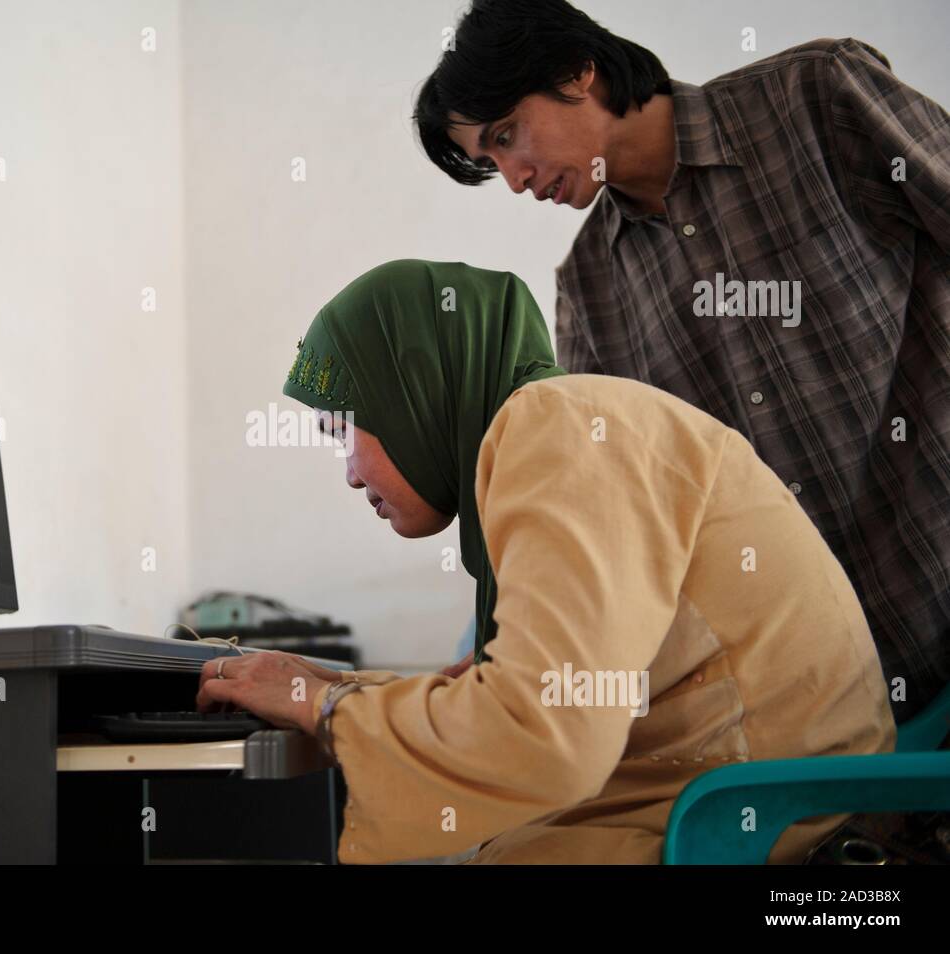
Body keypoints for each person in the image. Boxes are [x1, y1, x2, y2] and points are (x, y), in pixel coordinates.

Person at [196, 259, 894, 864]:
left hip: (755, 810)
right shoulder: (561, 431)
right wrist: (331, 690)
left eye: (343, 429)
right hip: (760, 795)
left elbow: (545, 732)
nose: (349, 472)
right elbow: (540, 697)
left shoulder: (550, 428)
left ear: (412, 385)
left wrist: (319, 702)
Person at [412, 0, 950, 722]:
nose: (513, 178)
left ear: (577, 70)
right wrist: (515, 656)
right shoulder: (590, 291)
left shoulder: (818, 97)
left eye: (508, 135)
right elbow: (625, 525)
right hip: (834, 691)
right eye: (490, 161)